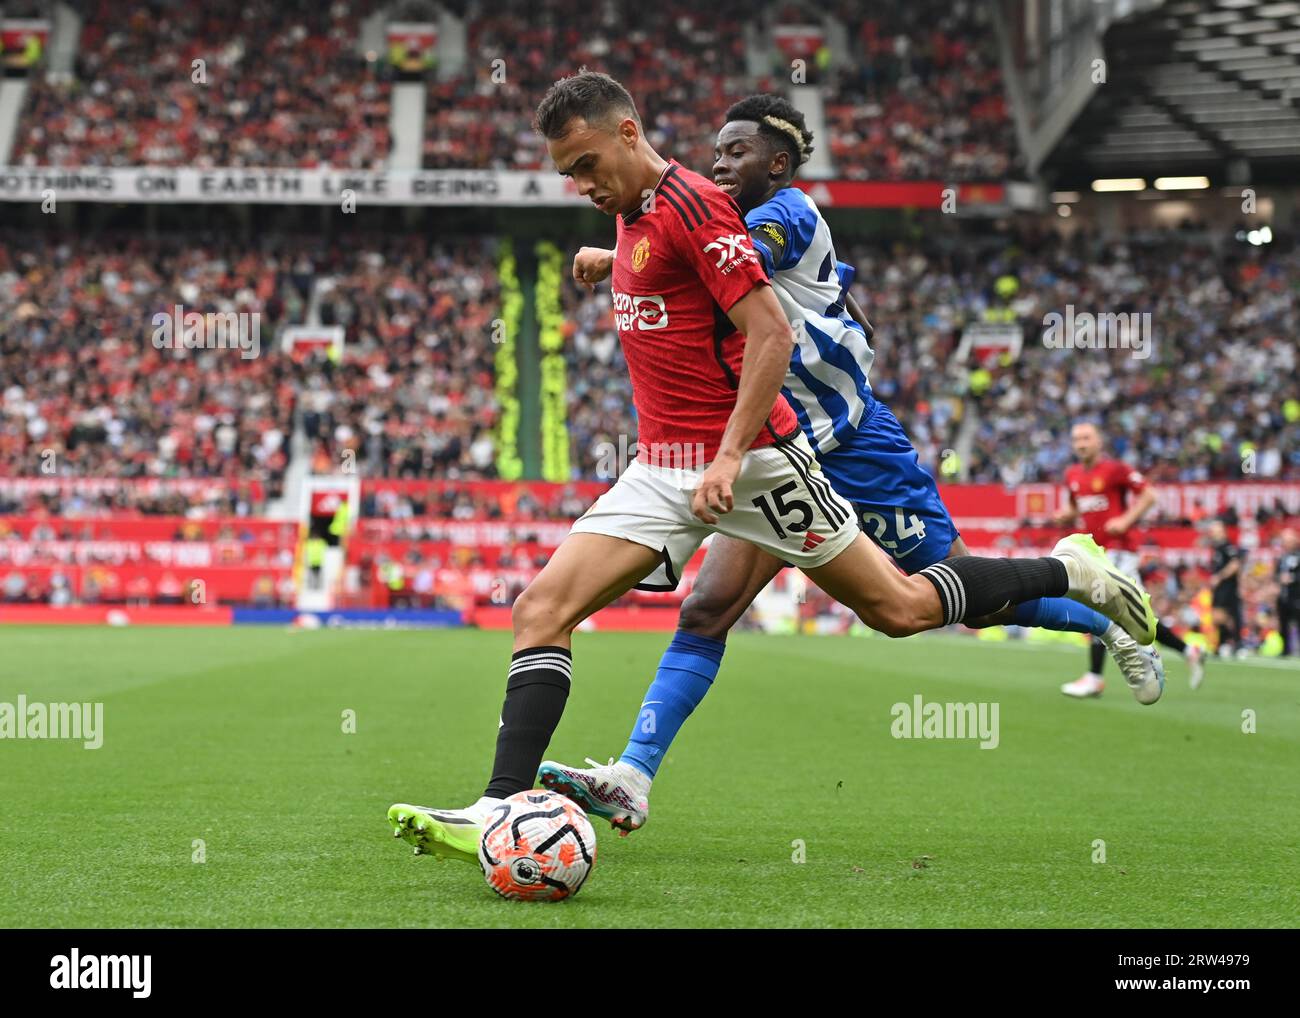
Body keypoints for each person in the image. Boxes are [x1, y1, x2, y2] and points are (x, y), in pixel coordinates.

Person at [385, 70, 1157, 865]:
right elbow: (673, 282)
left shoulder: (699, 208)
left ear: (626, 133)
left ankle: (1072, 574)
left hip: (757, 464)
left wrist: (727, 456)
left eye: (586, 164)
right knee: (542, 609)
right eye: (566, 174)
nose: (581, 184)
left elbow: (770, 334)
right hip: (661, 467)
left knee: (899, 608)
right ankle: (499, 805)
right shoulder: (631, 212)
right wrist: (608, 264)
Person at [1055, 422, 1204, 697]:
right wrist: (1065, 514)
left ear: (1099, 441)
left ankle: (1095, 677)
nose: (1081, 444)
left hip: (1120, 550)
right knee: (1136, 615)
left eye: (1087, 438)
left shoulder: (1116, 469)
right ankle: (1188, 650)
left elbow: (1149, 494)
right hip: (1096, 552)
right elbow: (1076, 506)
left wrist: (1125, 520)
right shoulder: (1072, 474)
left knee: (1100, 608)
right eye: (1076, 439)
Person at [1207, 519, 1243, 656]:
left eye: (1215, 531)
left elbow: (1235, 564)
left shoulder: (1228, 547)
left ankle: (1235, 643)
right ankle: (1223, 643)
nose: (1212, 534)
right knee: (1217, 617)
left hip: (1227, 587)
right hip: (1219, 588)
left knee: (1226, 616)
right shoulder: (1216, 548)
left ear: (1222, 532)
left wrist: (1219, 577)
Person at [1276, 528, 1300, 656]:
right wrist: (1278, 578)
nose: (1285, 543)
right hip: (1283, 596)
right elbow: (1276, 574)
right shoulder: (1282, 557)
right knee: (1283, 623)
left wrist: (1293, 578)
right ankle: (1285, 649)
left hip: (1296, 595)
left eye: (1287, 540)